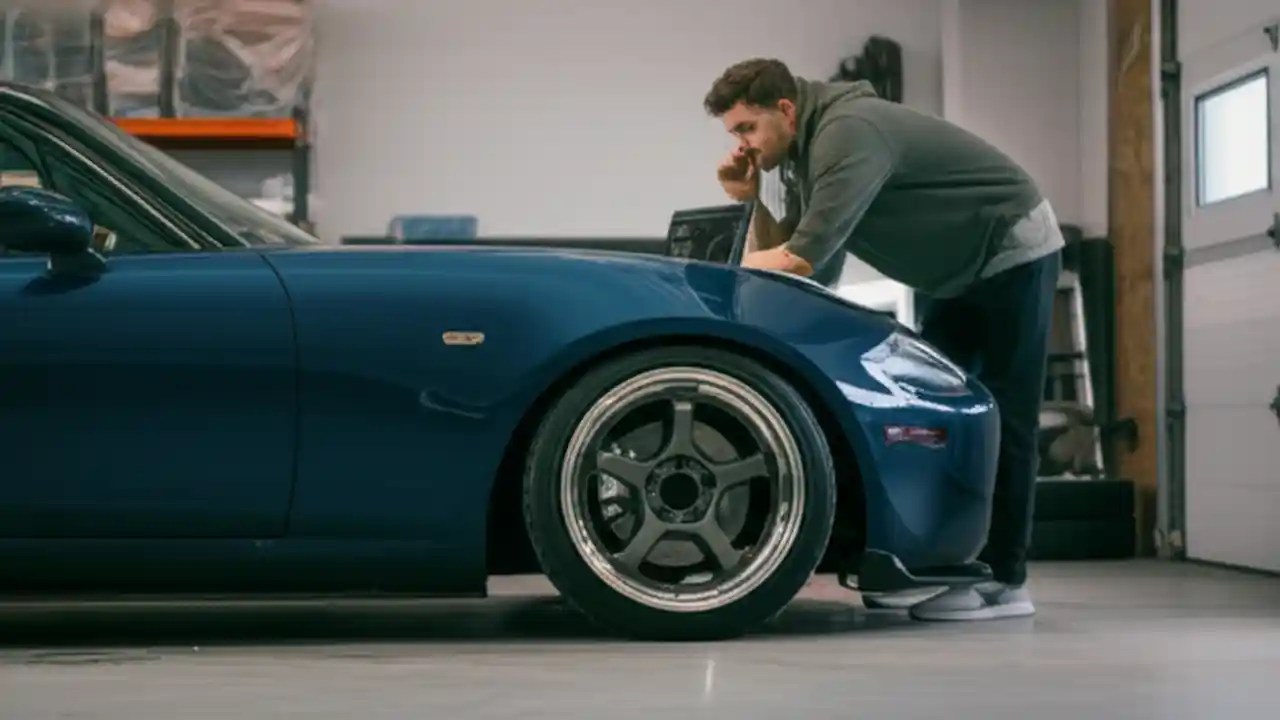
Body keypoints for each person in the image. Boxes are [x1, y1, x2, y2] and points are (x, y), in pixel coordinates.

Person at [704, 57, 1063, 621]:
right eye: (733, 134)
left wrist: (710, 271)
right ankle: (948, 569)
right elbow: (809, 266)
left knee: (1002, 417)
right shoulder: (802, 154)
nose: (742, 144)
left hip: (1009, 248)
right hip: (954, 271)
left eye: (747, 128)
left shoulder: (849, 134)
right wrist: (747, 199)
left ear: (785, 109)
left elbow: (800, 261)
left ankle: (1007, 582)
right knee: (942, 420)